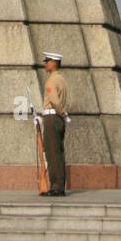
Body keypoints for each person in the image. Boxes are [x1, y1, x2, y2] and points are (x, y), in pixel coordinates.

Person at [39, 51, 69, 196]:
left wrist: (60, 112)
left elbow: (55, 100)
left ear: (54, 63)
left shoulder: (51, 80)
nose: (45, 63)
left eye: (47, 61)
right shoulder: (62, 79)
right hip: (59, 119)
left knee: (52, 153)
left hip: (52, 117)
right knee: (59, 152)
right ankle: (60, 185)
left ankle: (56, 186)